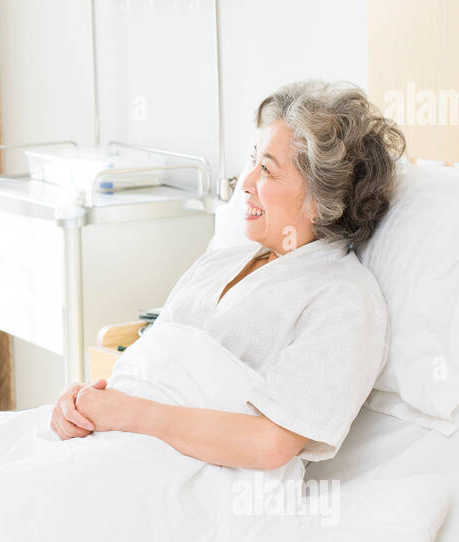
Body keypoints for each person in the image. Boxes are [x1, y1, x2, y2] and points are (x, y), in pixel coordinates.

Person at [51, 79, 405, 469]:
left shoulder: (344, 298)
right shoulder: (221, 262)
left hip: (196, 477)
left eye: (267, 170)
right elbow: (146, 367)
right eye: (253, 161)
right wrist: (78, 405)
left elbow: (270, 444)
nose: (246, 182)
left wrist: (127, 414)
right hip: (115, 447)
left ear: (321, 200)